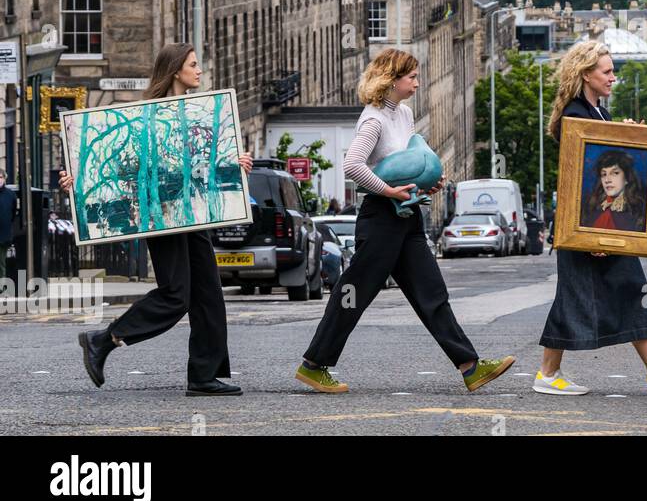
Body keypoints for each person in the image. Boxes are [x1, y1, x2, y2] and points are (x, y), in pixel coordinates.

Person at [295, 48, 515, 394]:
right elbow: (353, 166)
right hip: (380, 218)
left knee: (432, 292)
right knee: (353, 293)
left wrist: (430, 182)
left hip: (407, 216)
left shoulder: (405, 114)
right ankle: (314, 364)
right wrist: (390, 192)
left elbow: (409, 162)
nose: (417, 81)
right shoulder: (374, 119)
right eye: (411, 76)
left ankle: (469, 366)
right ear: (391, 80)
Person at [65, 43, 252, 396]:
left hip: (192, 213)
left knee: (208, 294)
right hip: (161, 215)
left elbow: (194, 166)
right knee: (176, 294)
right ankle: (103, 339)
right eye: (194, 65)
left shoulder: (197, 112)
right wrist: (77, 180)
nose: (199, 71)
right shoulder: (145, 117)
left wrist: (233, 163)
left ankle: (203, 375)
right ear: (175, 70)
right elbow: (122, 165)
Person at [534, 40, 647, 396]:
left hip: (598, 227)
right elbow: (582, 182)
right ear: (585, 75)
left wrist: (625, 136)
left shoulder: (596, 115)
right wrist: (592, 236)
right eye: (607, 71)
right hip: (590, 228)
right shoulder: (576, 116)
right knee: (603, 292)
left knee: (615, 290)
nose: (614, 77)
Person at [580, 150, 647, 232]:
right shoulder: (590, 208)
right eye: (604, 174)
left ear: (626, 178)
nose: (607, 180)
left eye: (615, 173)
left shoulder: (640, 210)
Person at [0, 168, 16, 280]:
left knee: (1, 262)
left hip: (3, 234)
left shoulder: (10, 195)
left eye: (0, 177)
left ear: (4, 179)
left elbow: (13, 213)